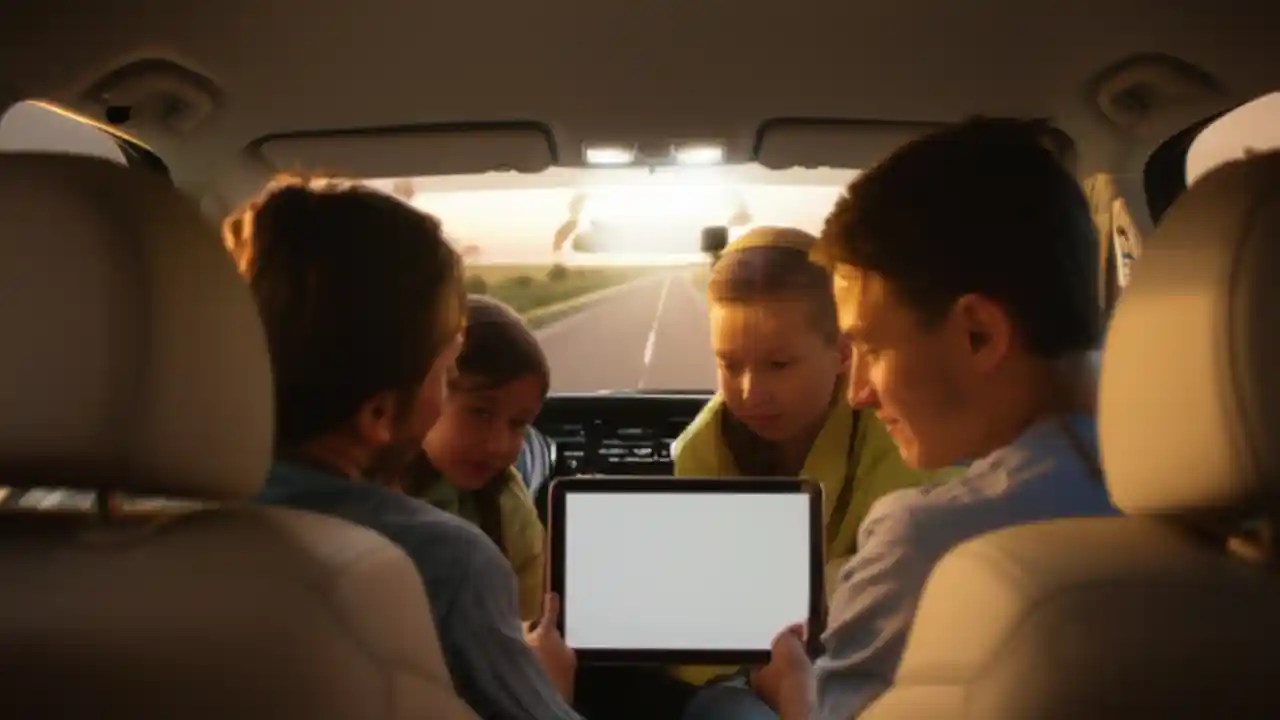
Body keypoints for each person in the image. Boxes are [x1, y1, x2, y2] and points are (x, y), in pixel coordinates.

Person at [686, 118, 1118, 720]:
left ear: (978, 334)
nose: (857, 389)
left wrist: (793, 693)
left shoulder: (926, 543)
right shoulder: (1219, 523)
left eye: (870, 347)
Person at [224, 175, 579, 719]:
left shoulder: (73, 528)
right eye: (446, 369)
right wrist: (549, 686)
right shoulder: (441, 563)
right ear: (379, 413)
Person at [670, 227, 950, 691]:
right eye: (729, 364)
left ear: (842, 353)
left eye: (778, 365)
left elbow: (912, 588)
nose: (749, 392)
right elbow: (708, 617)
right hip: (746, 672)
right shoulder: (700, 448)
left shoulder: (903, 437)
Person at [399, 295, 550, 622]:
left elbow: (528, 623)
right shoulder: (373, 494)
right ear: (427, 392)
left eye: (518, 423)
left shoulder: (511, 506)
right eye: (479, 412)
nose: (498, 445)